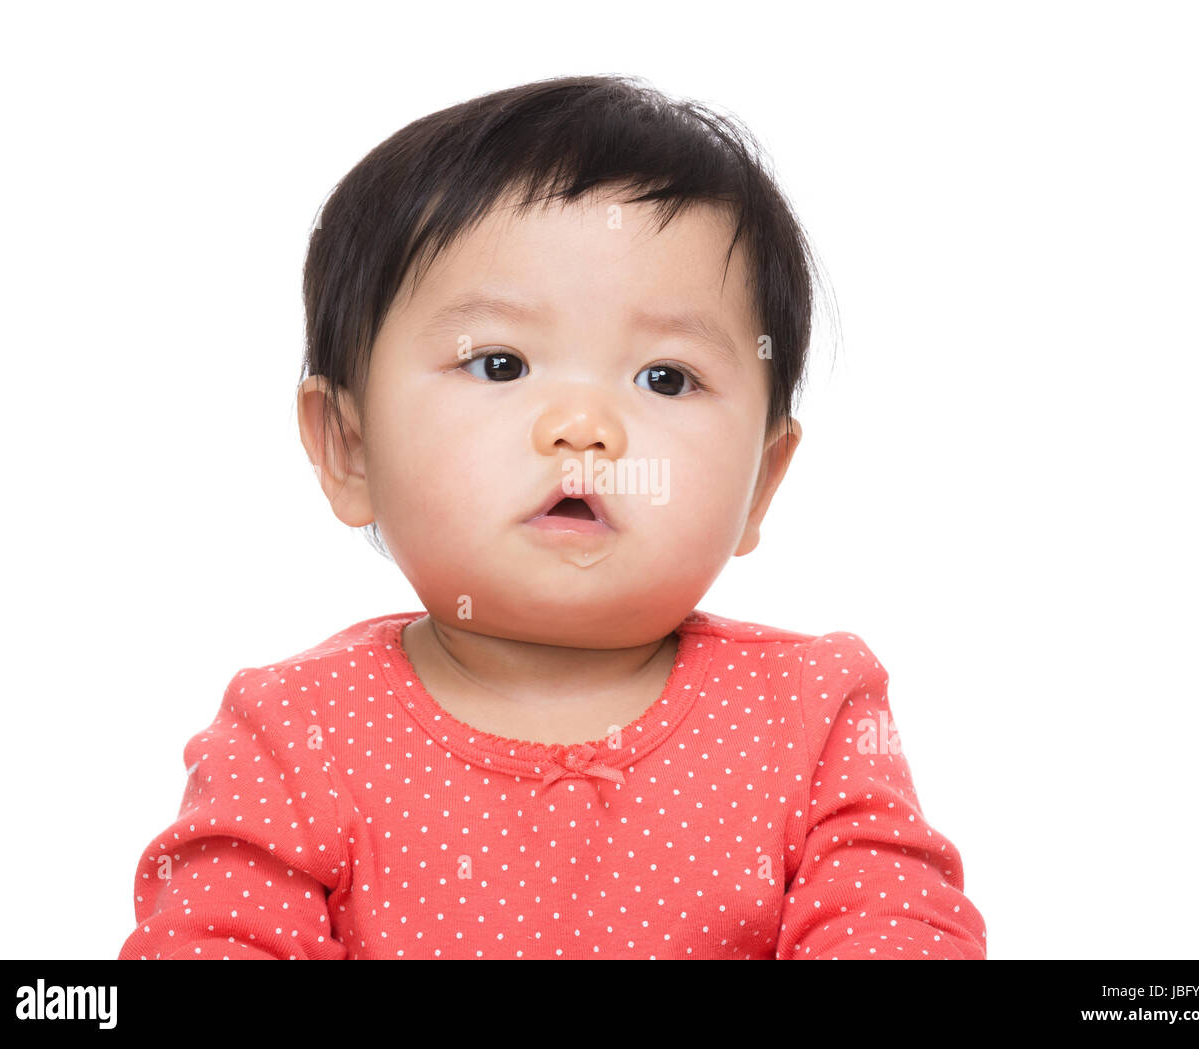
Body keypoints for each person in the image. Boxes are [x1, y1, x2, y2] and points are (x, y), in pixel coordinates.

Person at [120, 74, 986, 960]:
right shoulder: (295, 731)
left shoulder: (811, 712)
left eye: (666, 377)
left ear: (762, 481)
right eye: (499, 364)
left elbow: (897, 928)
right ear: (348, 447)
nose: (583, 427)